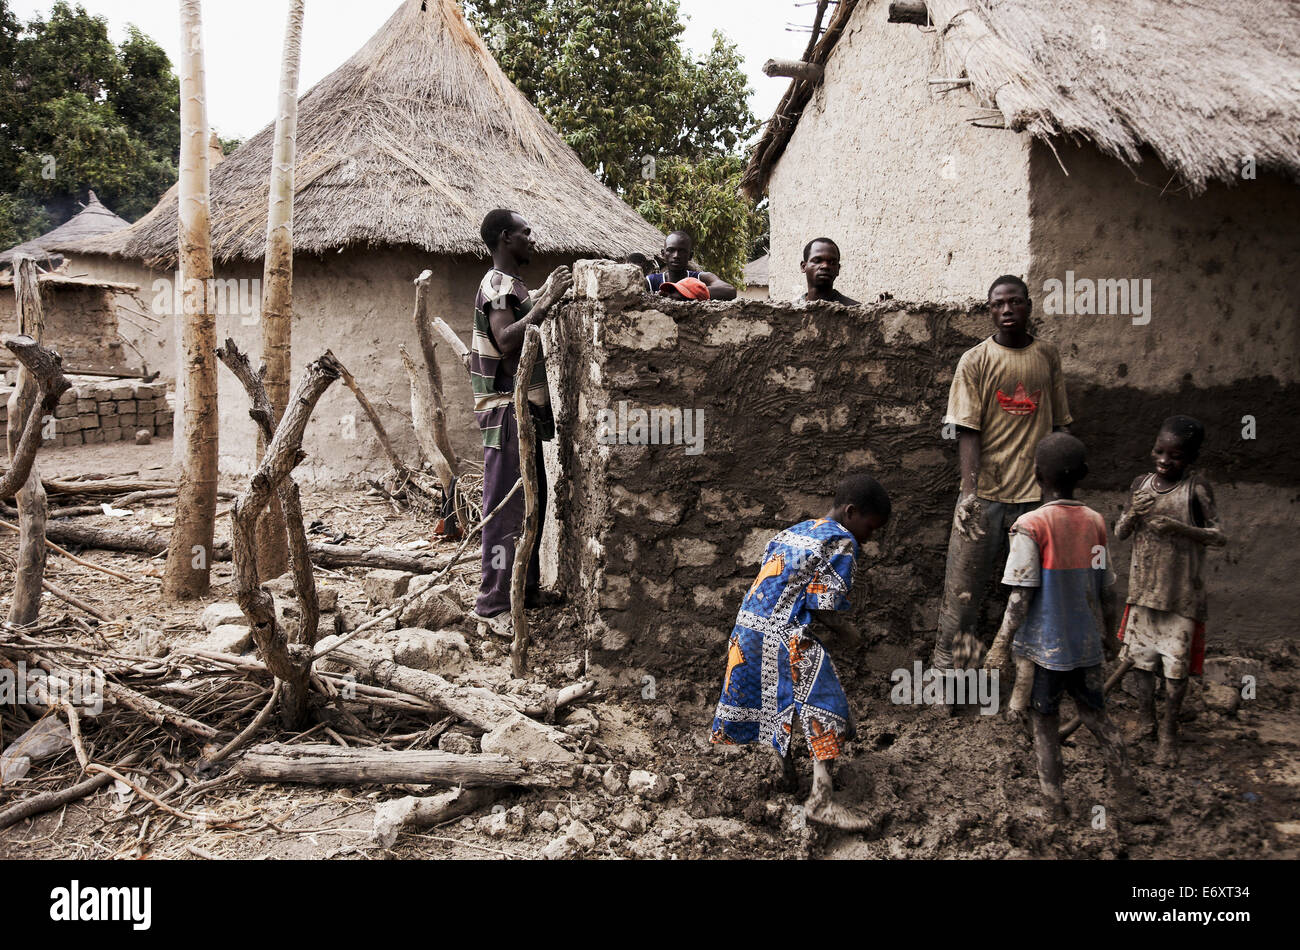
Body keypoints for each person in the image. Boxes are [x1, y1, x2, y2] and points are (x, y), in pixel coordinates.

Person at [711, 472, 891, 829]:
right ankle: (820, 801)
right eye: (870, 528)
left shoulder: (794, 531)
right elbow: (823, 606)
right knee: (828, 707)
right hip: (784, 635)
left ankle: (787, 777)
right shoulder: (841, 542)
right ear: (852, 512)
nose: (869, 538)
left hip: (747, 630)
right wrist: (851, 634)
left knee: (780, 705)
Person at [984, 433, 1149, 823]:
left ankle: (1054, 806)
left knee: (1045, 725)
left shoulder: (1029, 526)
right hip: (1087, 645)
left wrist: (999, 644)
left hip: (1047, 651)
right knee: (1098, 718)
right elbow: (1107, 589)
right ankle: (1128, 796)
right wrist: (1109, 636)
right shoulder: (1095, 522)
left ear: (1036, 474)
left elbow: (1021, 596)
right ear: (1085, 475)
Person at [931, 275, 1073, 684]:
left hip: (1037, 503)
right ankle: (952, 682)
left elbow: (1060, 427)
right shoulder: (975, 361)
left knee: (1040, 596)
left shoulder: (1047, 356)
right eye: (998, 304)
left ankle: (1033, 686)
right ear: (989, 310)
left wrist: (1058, 498)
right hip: (986, 500)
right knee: (964, 599)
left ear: (1029, 306)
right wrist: (969, 494)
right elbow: (966, 430)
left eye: (1015, 302)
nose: (1007, 310)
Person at [466, 209, 572, 638]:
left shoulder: (513, 287)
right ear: (506, 238)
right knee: (505, 508)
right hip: (506, 410)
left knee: (532, 500)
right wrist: (545, 303)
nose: (533, 237)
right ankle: (491, 607)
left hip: (519, 411)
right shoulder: (496, 284)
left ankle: (523, 592)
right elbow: (506, 341)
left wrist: (541, 295)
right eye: (525, 232)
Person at [1115, 415, 1226, 765]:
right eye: (1159, 451)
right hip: (1144, 594)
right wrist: (1133, 513)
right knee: (1140, 666)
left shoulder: (1196, 490)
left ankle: (1168, 733)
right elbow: (1120, 533)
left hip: (1181, 599)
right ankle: (1147, 720)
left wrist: (1180, 529)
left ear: (1190, 459)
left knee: (1175, 675)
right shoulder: (1140, 485)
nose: (1164, 460)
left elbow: (1219, 536)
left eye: (1175, 456)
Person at [646, 230, 736, 300]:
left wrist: (687, 292)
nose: (676, 256)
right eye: (671, 250)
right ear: (663, 254)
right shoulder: (651, 281)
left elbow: (730, 291)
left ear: (690, 256)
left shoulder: (702, 278)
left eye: (682, 251)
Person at [797, 238, 859, 305]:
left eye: (832, 262)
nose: (825, 266)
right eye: (817, 261)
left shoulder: (855, 311)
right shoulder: (790, 312)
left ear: (838, 269)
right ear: (803, 267)